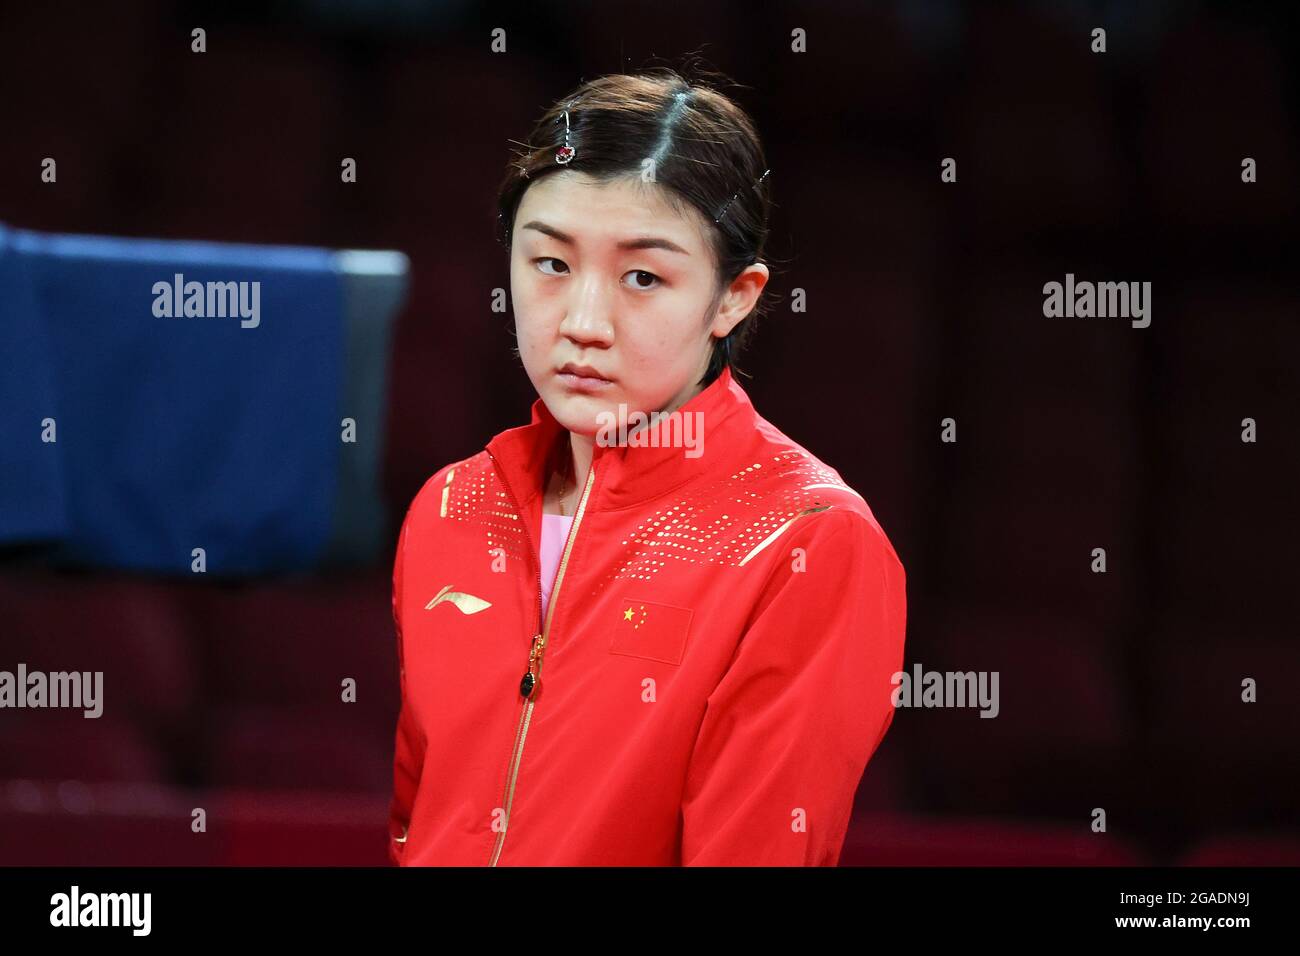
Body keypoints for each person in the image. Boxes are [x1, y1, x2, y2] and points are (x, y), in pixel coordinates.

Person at [388, 67, 907, 866]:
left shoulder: (806, 542)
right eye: (551, 264)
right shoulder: (454, 505)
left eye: (643, 277)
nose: (584, 323)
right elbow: (415, 827)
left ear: (734, 296)